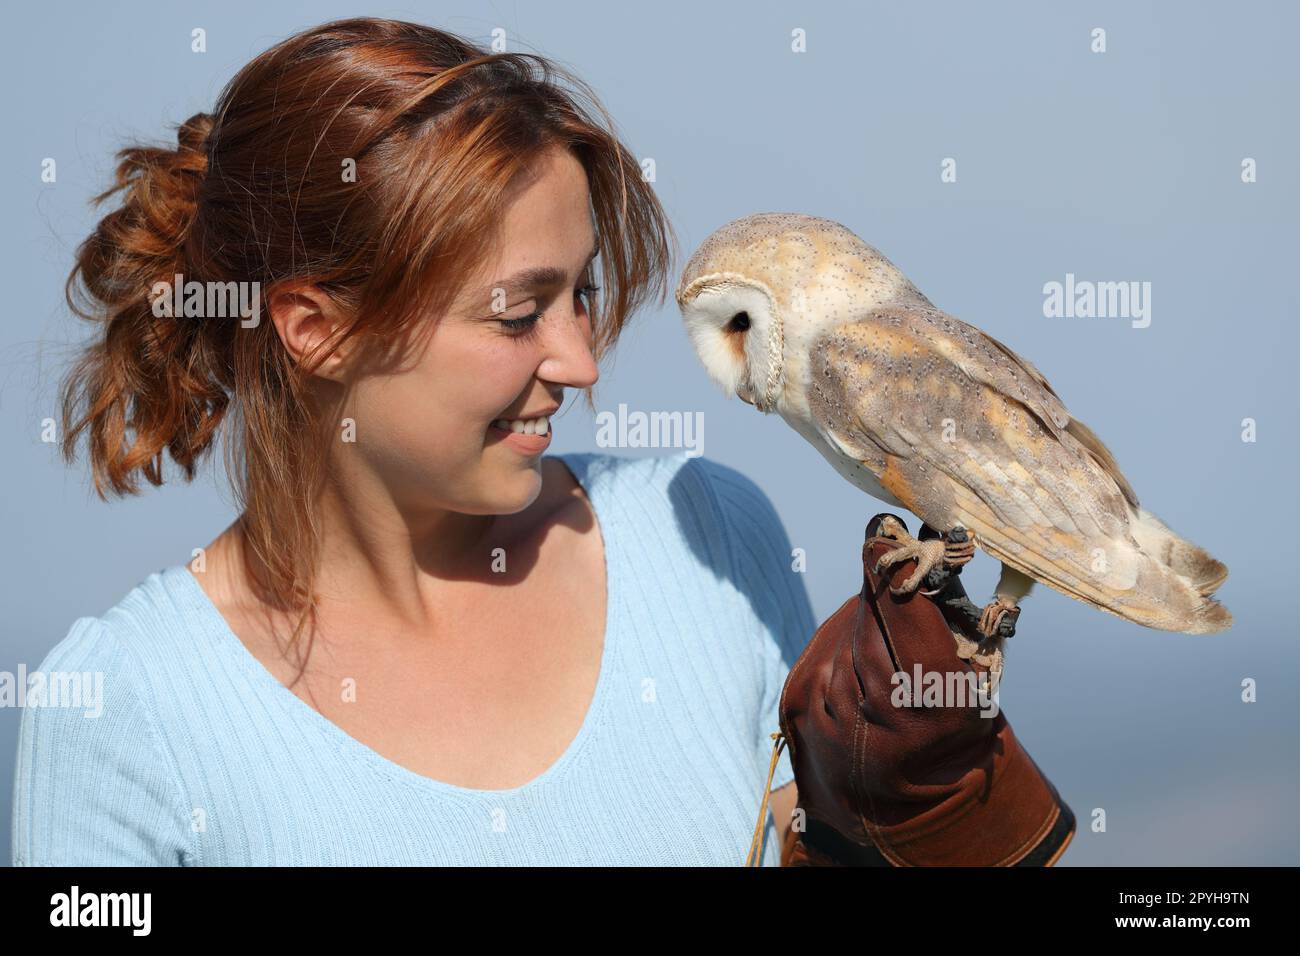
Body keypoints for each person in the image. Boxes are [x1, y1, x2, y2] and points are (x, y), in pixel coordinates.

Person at [11, 17, 814, 865]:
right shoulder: (122, 712)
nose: (582, 363)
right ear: (317, 330)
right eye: (516, 314)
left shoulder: (706, 536)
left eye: (583, 290)